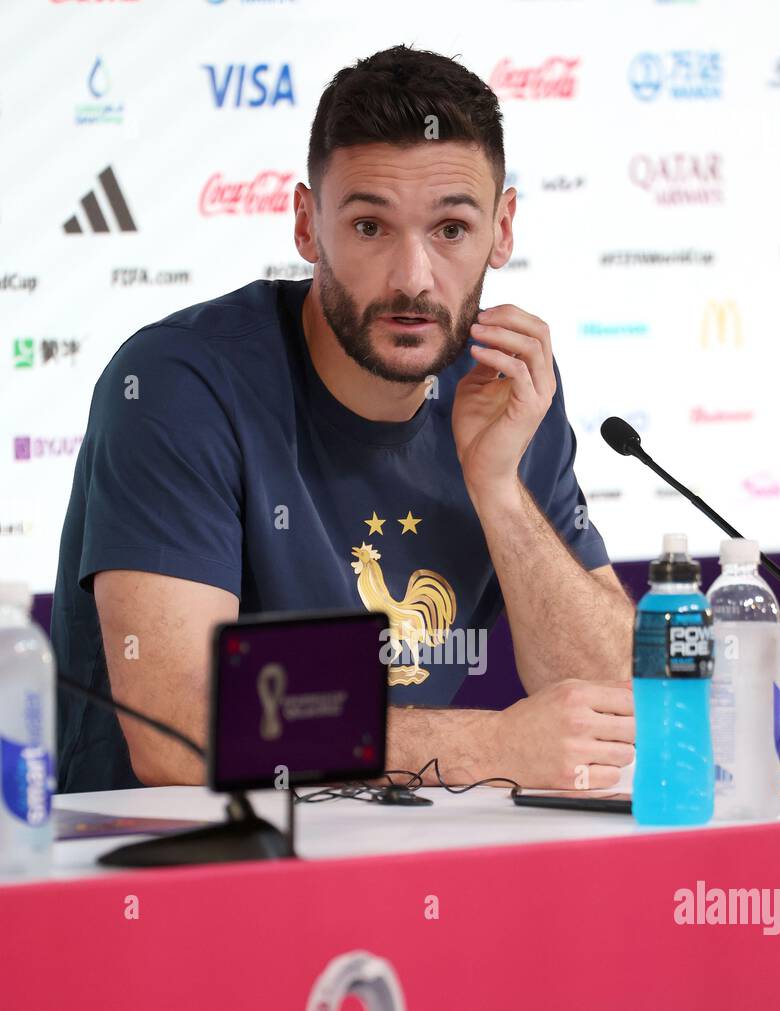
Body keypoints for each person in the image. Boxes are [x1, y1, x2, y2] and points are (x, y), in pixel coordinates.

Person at [51, 44, 635, 794]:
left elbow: (620, 703)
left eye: (451, 229)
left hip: (380, 857)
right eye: (369, 228)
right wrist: (491, 746)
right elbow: (177, 732)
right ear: (306, 225)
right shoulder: (179, 384)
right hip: (168, 871)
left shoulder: (505, 391)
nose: (413, 278)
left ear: (503, 228)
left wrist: (500, 492)